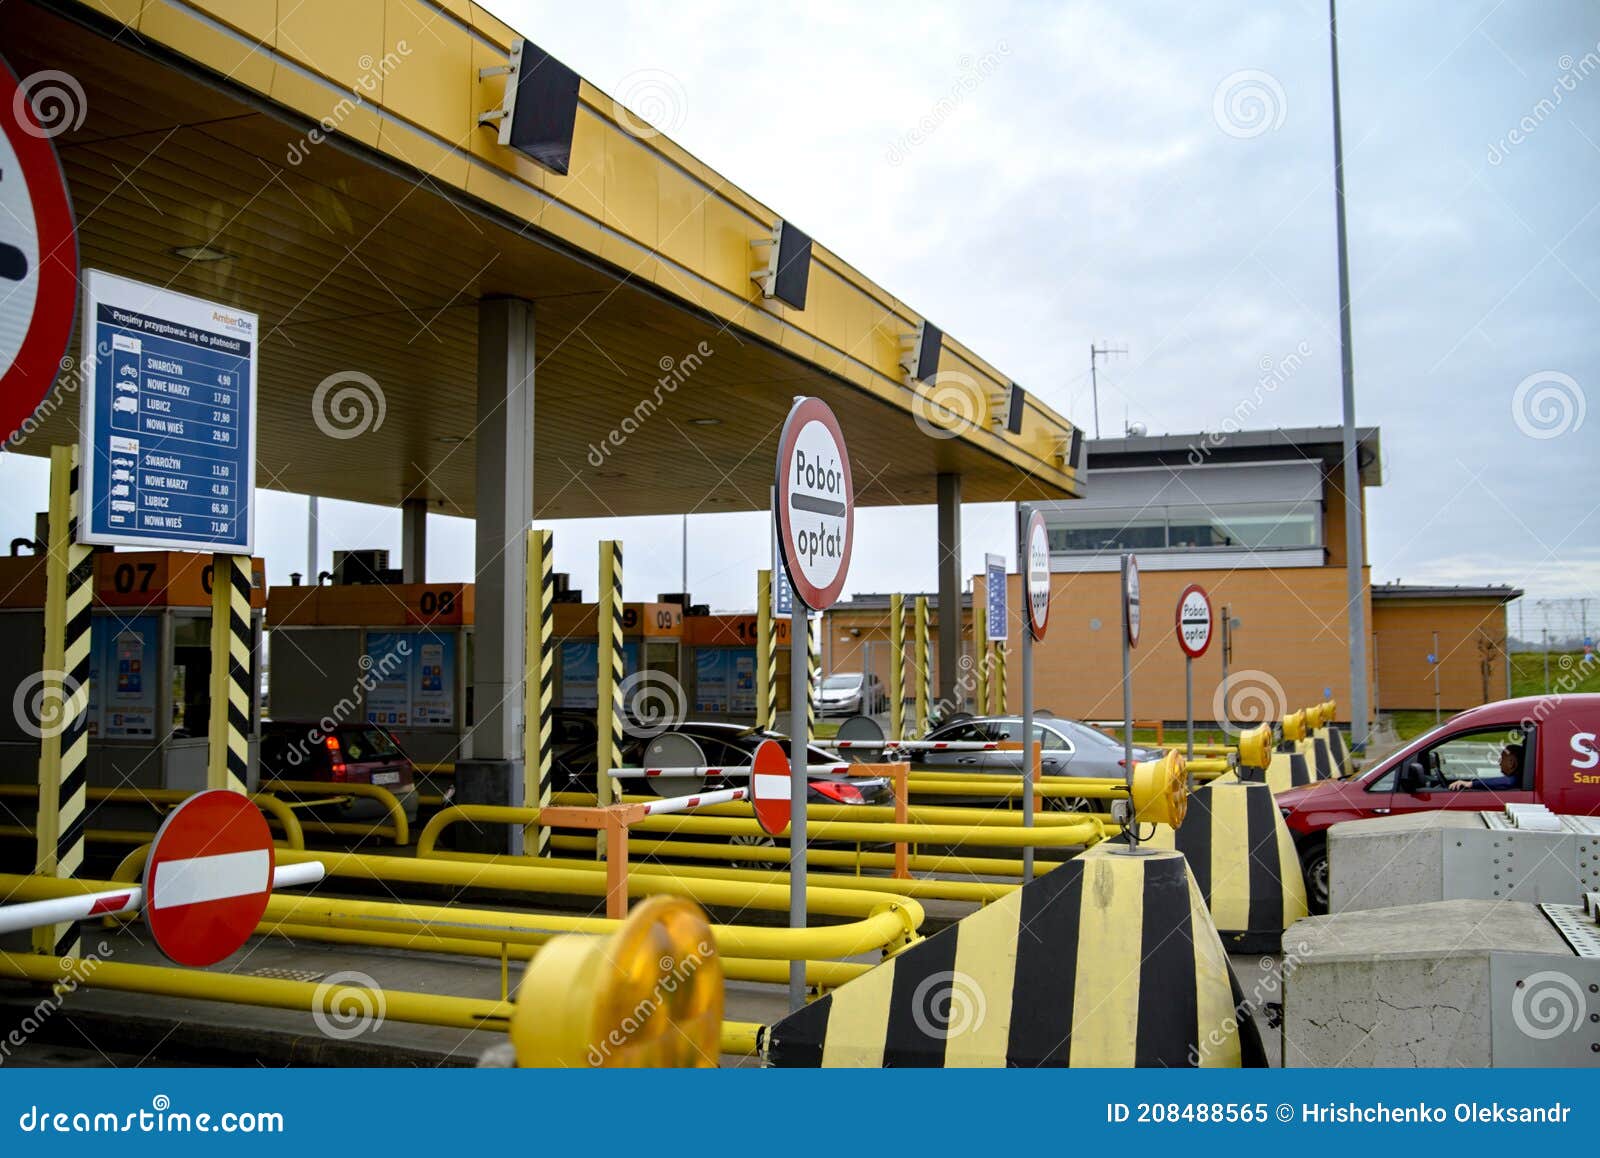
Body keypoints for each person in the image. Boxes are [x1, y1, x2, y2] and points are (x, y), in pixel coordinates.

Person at [1448, 742, 1522, 791]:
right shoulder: (1521, 778)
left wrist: (1470, 784)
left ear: (1511, 763)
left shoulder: (1515, 780)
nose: (1499, 762)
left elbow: (1507, 782)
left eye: (1502, 758)